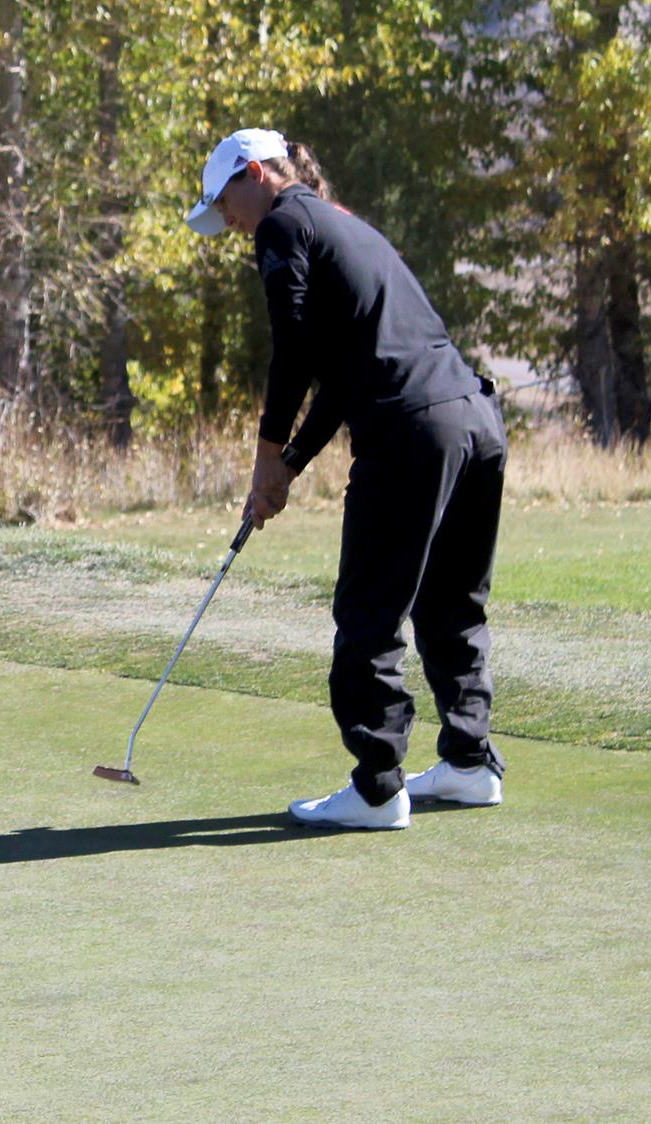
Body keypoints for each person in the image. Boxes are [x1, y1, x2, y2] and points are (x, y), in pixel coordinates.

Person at [184, 128, 508, 830]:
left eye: (225, 203)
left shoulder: (282, 226)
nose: (229, 222)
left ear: (255, 173)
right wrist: (291, 466)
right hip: (474, 421)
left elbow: (292, 347)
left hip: (410, 433)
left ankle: (377, 788)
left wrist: (266, 452)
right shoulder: (342, 226)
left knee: (368, 614)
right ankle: (468, 764)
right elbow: (340, 379)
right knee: (451, 603)